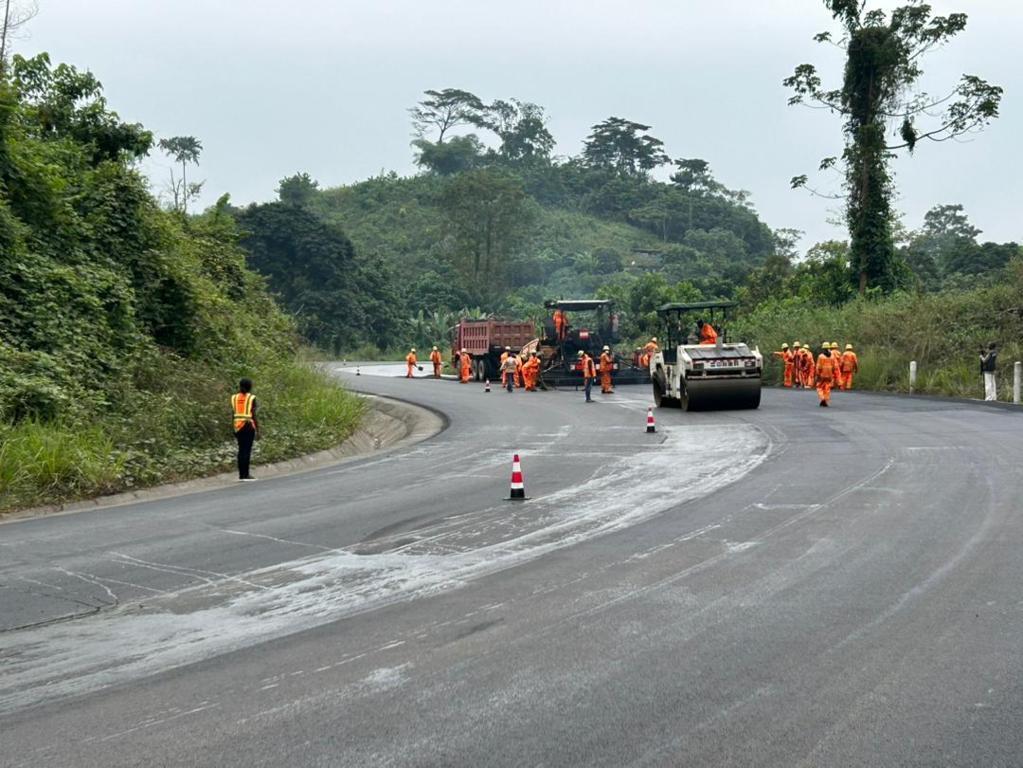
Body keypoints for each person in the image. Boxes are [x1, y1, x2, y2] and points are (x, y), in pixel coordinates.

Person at [231, 378, 259, 481]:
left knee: (241, 450)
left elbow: (233, 414)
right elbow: (253, 415)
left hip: (237, 426)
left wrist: (233, 428)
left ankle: (241, 475)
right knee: (246, 450)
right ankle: (246, 475)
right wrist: (258, 430)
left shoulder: (234, 398)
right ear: (250, 387)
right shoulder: (251, 398)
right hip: (248, 425)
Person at [815, 342, 837, 407]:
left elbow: (818, 367)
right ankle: (825, 400)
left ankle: (822, 398)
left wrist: (818, 375)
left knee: (819, 387)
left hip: (822, 375)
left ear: (823, 348)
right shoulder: (832, 356)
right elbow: (834, 367)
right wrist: (832, 374)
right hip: (829, 375)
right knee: (827, 388)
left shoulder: (821, 356)